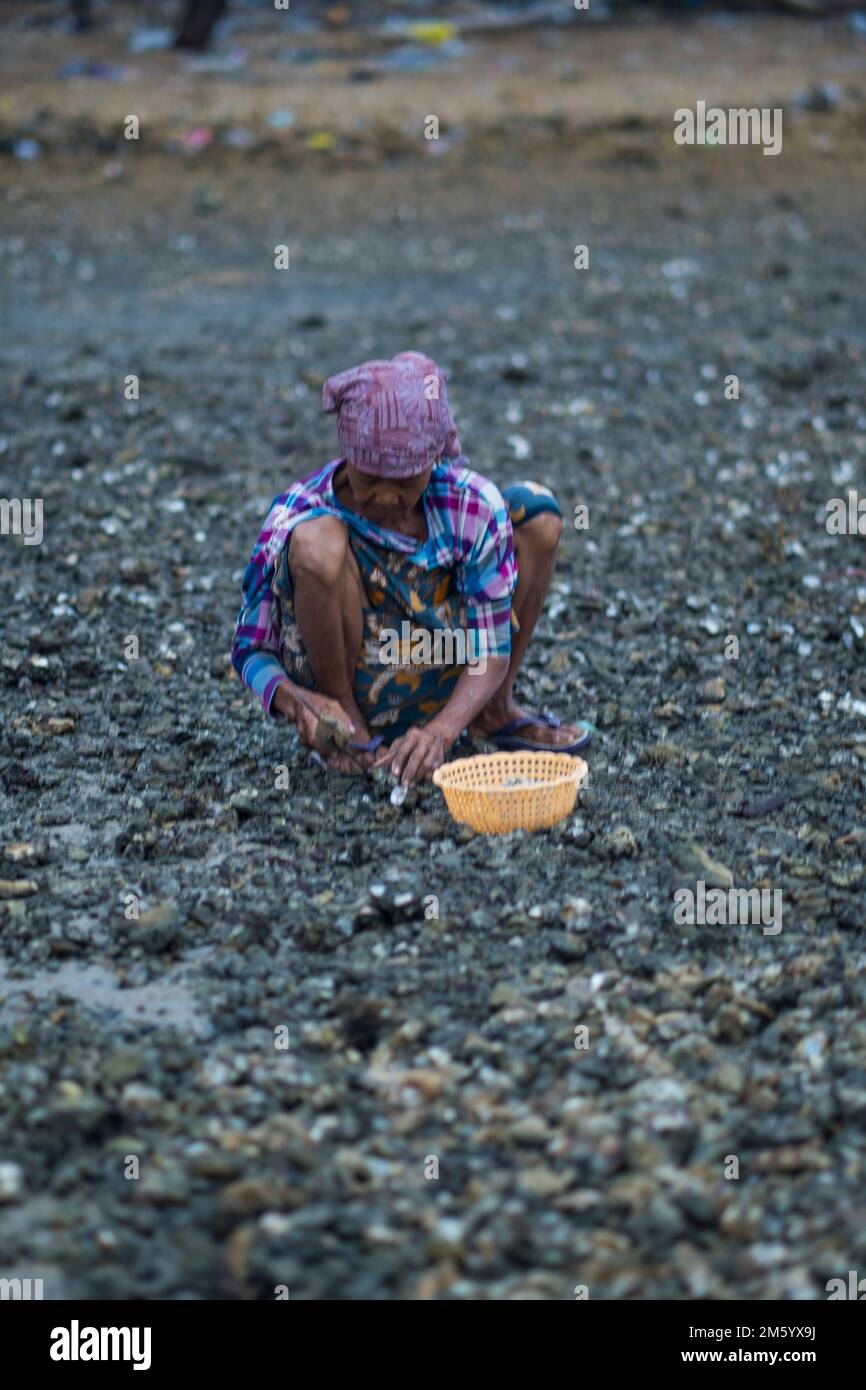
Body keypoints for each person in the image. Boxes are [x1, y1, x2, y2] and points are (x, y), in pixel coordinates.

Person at [232, 351, 590, 784]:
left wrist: (442, 731)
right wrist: (299, 702)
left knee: (536, 514)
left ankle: (490, 711)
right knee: (315, 543)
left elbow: (490, 647)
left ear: (433, 460)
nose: (385, 498)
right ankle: (351, 728)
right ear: (348, 457)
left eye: (404, 482)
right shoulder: (300, 510)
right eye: (369, 479)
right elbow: (250, 650)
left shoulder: (469, 506)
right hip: (357, 673)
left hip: (441, 660)